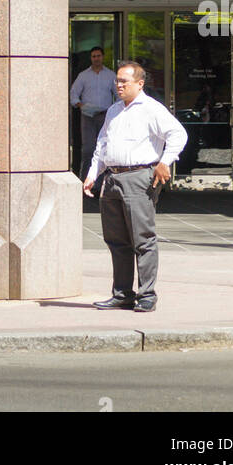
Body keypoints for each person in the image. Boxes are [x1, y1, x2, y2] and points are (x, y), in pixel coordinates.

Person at [84, 60, 188, 313]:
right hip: (112, 179)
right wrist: (92, 174)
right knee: (116, 240)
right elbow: (102, 144)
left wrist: (165, 162)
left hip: (139, 177)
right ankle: (122, 294)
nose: (118, 85)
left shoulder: (152, 109)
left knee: (143, 239)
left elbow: (178, 134)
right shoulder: (114, 110)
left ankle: (147, 294)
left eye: (124, 81)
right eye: (117, 81)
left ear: (139, 84)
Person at [70, 46, 117, 182]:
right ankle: (85, 181)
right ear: (91, 58)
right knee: (88, 150)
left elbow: (119, 95)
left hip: (105, 116)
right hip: (88, 117)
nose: (96, 59)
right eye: (94, 56)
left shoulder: (110, 75)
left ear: (103, 57)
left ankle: (102, 183)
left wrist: (115, 110)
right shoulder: (83, 75)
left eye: (98, 56)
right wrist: (80, 105)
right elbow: (74, 94)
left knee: (106, 149)